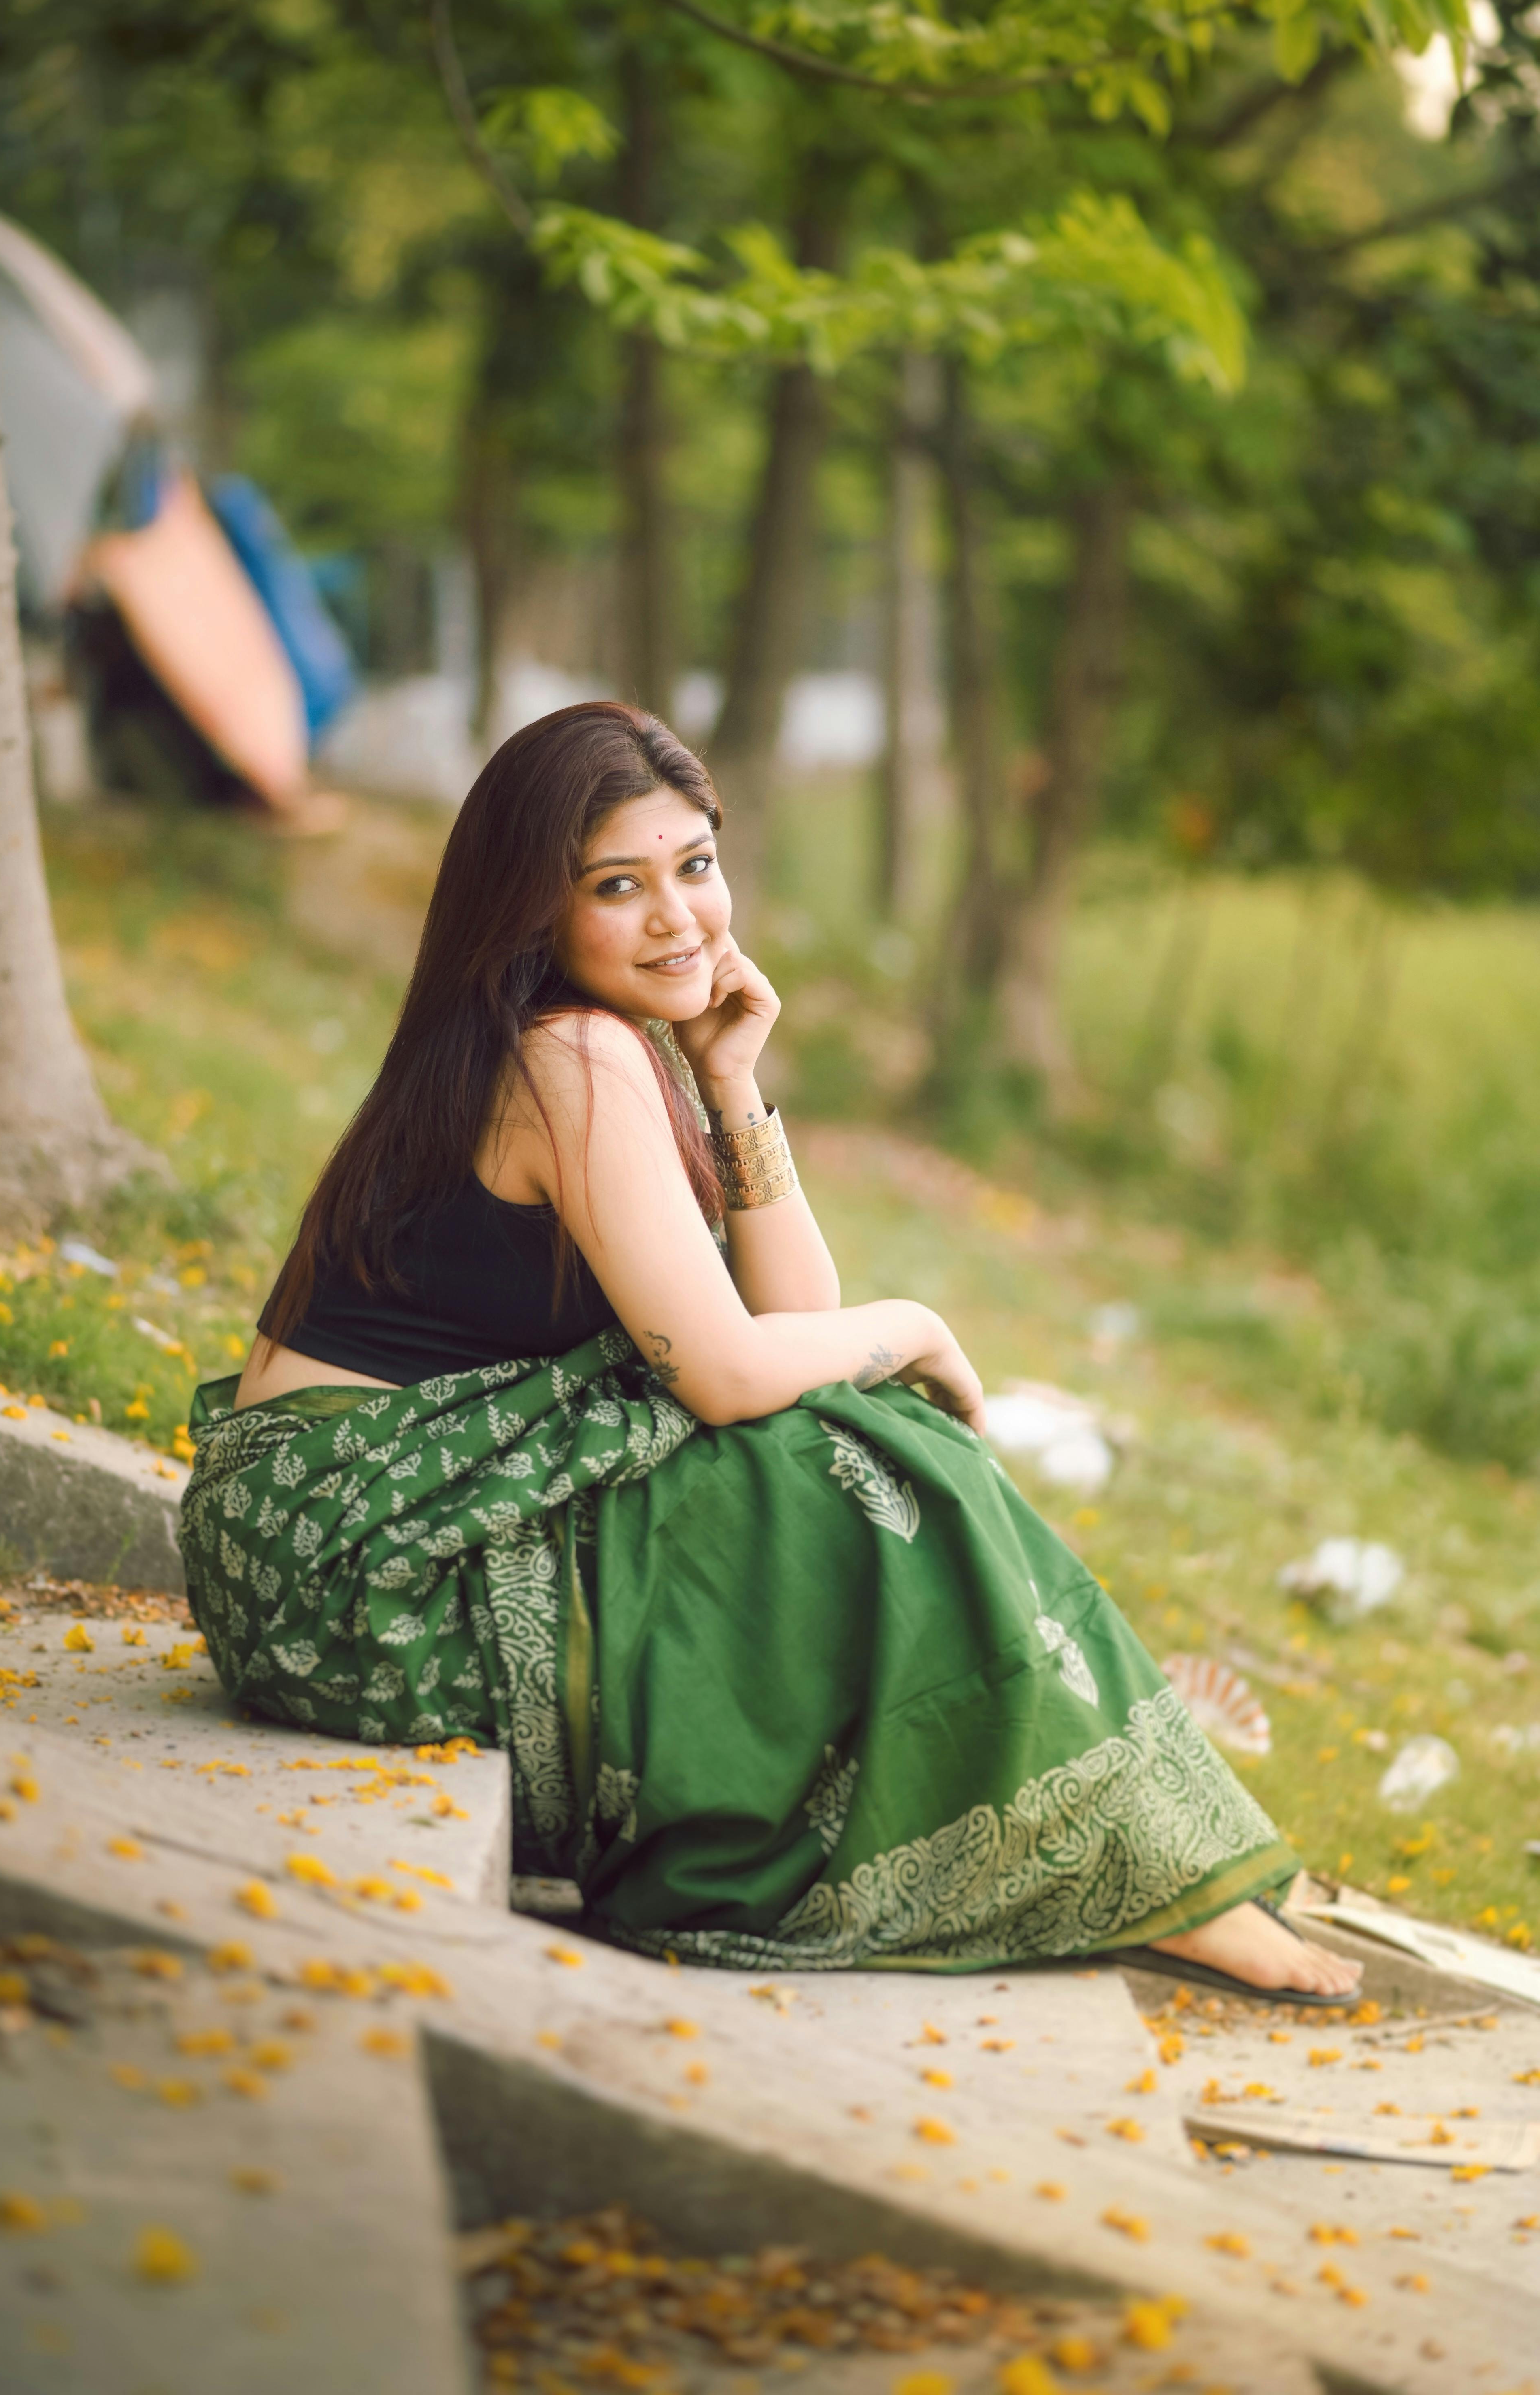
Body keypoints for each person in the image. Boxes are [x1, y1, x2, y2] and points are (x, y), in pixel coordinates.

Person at [179, 702, 1359, 2001]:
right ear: (535, 913)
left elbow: (784, 1327)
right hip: (353, 1568)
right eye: (617, 887)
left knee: (847, 1436)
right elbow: (740, 1372)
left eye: (694, 865)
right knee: (849, 1460)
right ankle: (1124, 1856)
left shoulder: (601, 1044)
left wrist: (733, 1080)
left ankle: (1147, 1842)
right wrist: (916, 1328)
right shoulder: (570, 1053)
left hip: (342, 1531)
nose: (679, 917)